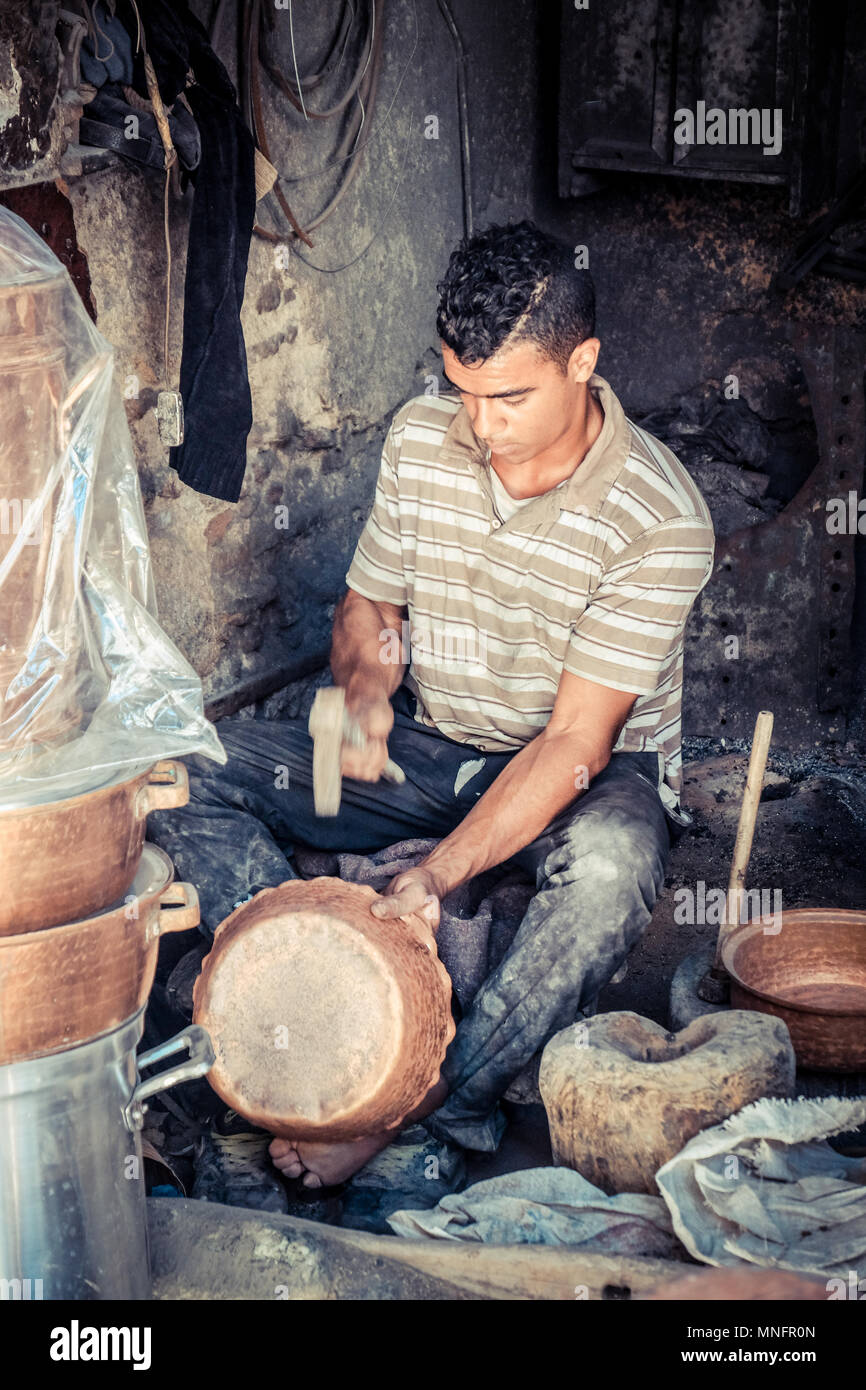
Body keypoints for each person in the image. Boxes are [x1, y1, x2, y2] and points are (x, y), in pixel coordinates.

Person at [149, 219, 715, 1195]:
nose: (481, 426)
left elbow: (575, 740)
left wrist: (435, 880)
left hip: (578, 775)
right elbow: (372, 602)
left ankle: (421, 1098)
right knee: (178, 768)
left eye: (508, 397)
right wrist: (365, 689)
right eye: (463, 391)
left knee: (611, 874)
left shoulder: (657, 518)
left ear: (581, 362)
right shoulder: (423, 438)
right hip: (428, 749)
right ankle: (304, 1002)